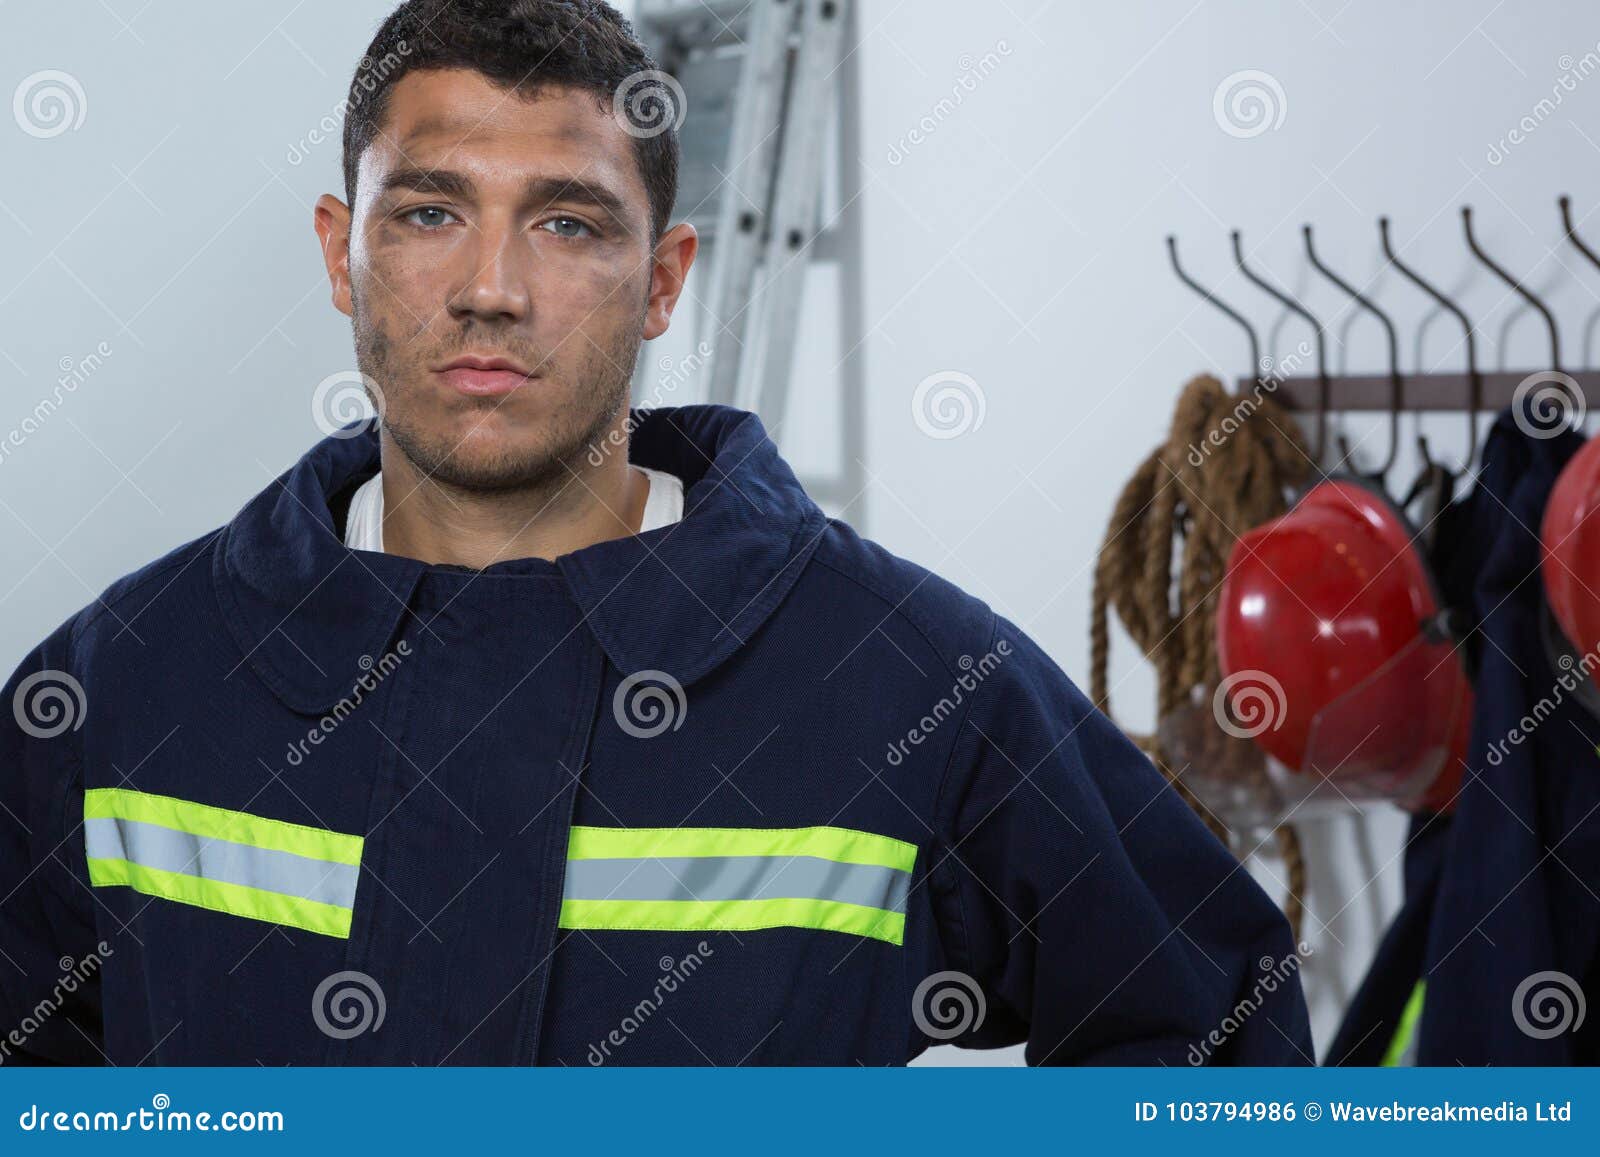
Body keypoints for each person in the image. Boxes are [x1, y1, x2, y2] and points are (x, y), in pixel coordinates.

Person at [0, 0, 1311, 1066]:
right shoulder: (123, 688)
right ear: (344, 254)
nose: (492, 290)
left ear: (665, 280)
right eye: (429, 212)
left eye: (567, 223)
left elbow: (1212, 1029)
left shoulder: (910, 685)